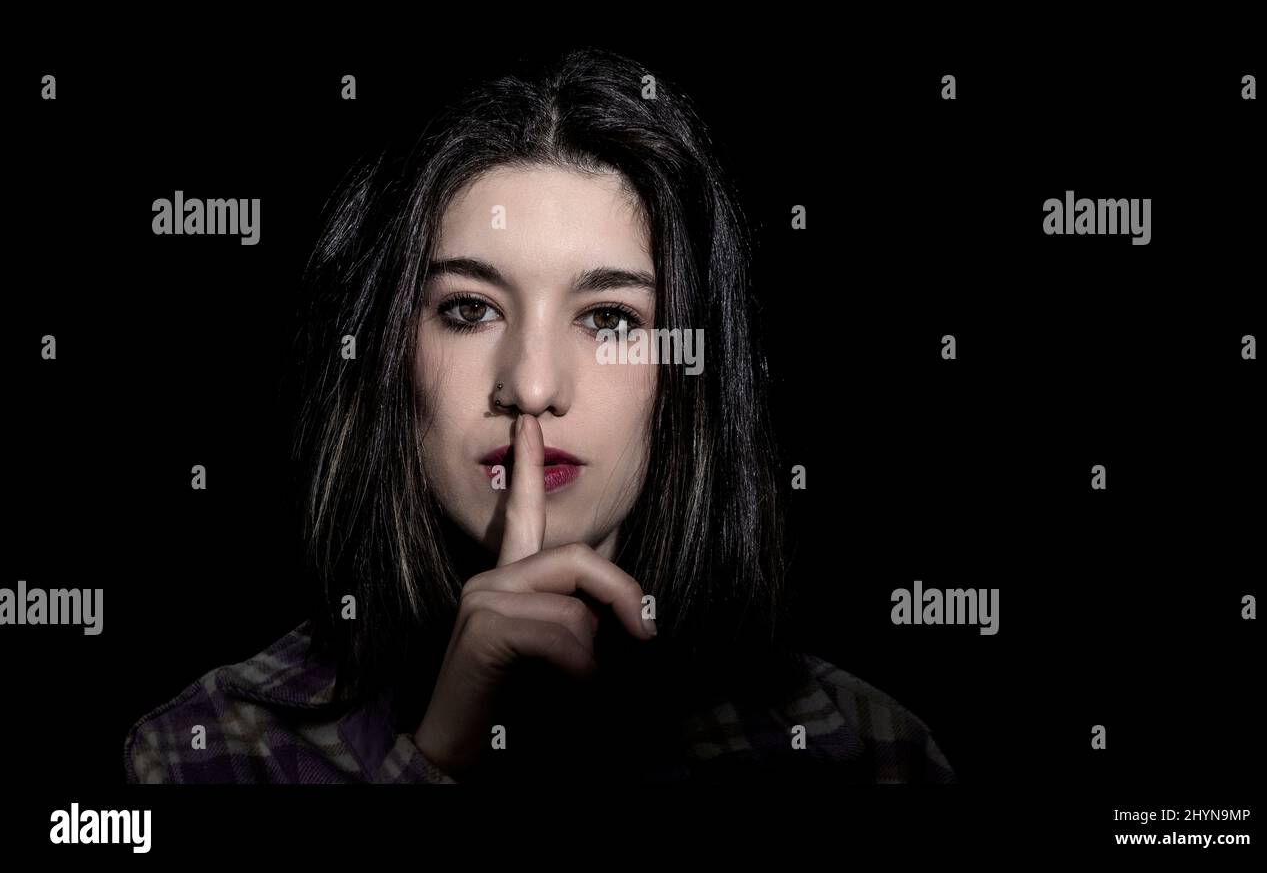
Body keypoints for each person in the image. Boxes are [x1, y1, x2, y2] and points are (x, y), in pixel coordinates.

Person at [123, 47, 955, 784]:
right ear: (386, 354)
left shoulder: (863, 752)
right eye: (469, 309)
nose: (529, 385)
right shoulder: (215, 754)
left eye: (609, 320)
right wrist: (442, 757)